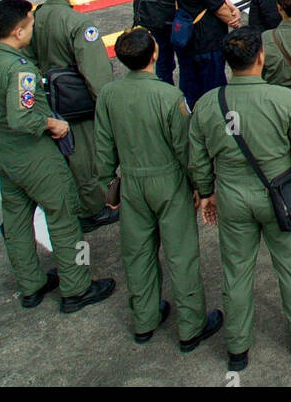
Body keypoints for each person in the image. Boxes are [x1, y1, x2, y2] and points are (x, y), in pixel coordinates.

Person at [189, 28, 291, 371]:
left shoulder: (207, 104)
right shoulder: (283, 100)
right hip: (281, 195)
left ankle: (237, 349)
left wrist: (206, 193)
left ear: (228, 63)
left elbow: (199, 158)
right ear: (261, 58)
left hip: (231, 195)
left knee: (235, 272)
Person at [0, 0, 114, 313]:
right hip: (33, 154)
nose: (33, 31)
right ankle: (77, 288)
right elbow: (22, 118)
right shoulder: (20, 70)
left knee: (16, 218)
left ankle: (31, 285)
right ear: (18, 31)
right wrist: (54, 124)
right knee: (63, 217)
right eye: (30, 26)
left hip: (3, 153)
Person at [94, 27, 223, 350]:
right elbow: (186, 149)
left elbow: (104, 146)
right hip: (169, 182)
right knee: (181, 255)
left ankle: (144, 319)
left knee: (137, 253)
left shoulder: (109, 94)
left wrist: (108, 184)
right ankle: (191, 326)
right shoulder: (170, 97)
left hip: (132, 182)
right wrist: (200, 186)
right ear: (155, 54)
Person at [30, 0, 117, 232]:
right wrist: (107, 108)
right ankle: (92, 209)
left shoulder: (35, 16)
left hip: (47, 97)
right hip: (74, 102)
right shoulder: (78, 23)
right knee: (85, 157)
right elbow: (95, 71)